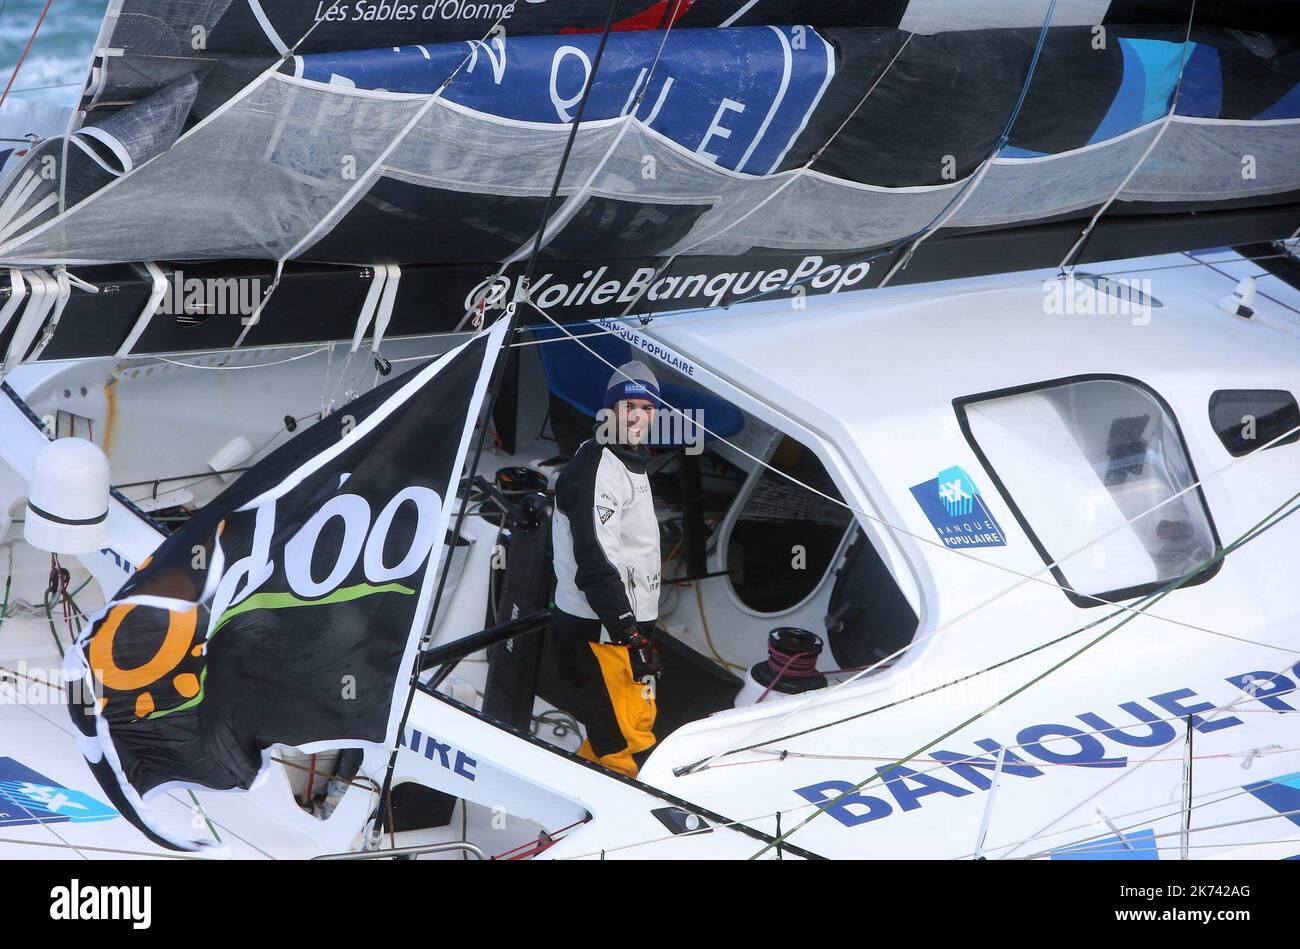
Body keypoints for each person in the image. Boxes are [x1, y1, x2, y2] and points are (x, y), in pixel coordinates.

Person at [550, 360, 664, 778]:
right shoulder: (598, 466)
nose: (637, 415)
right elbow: (595, 557)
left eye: (646, 407)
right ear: (609, 412)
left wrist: (637, 632)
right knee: (624, 745)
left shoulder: (630, 460)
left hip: (625, 629)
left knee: (628, 727)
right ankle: (618, 831)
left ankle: (582, 809)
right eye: (627, 405)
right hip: (602, 628)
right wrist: (627, 630)